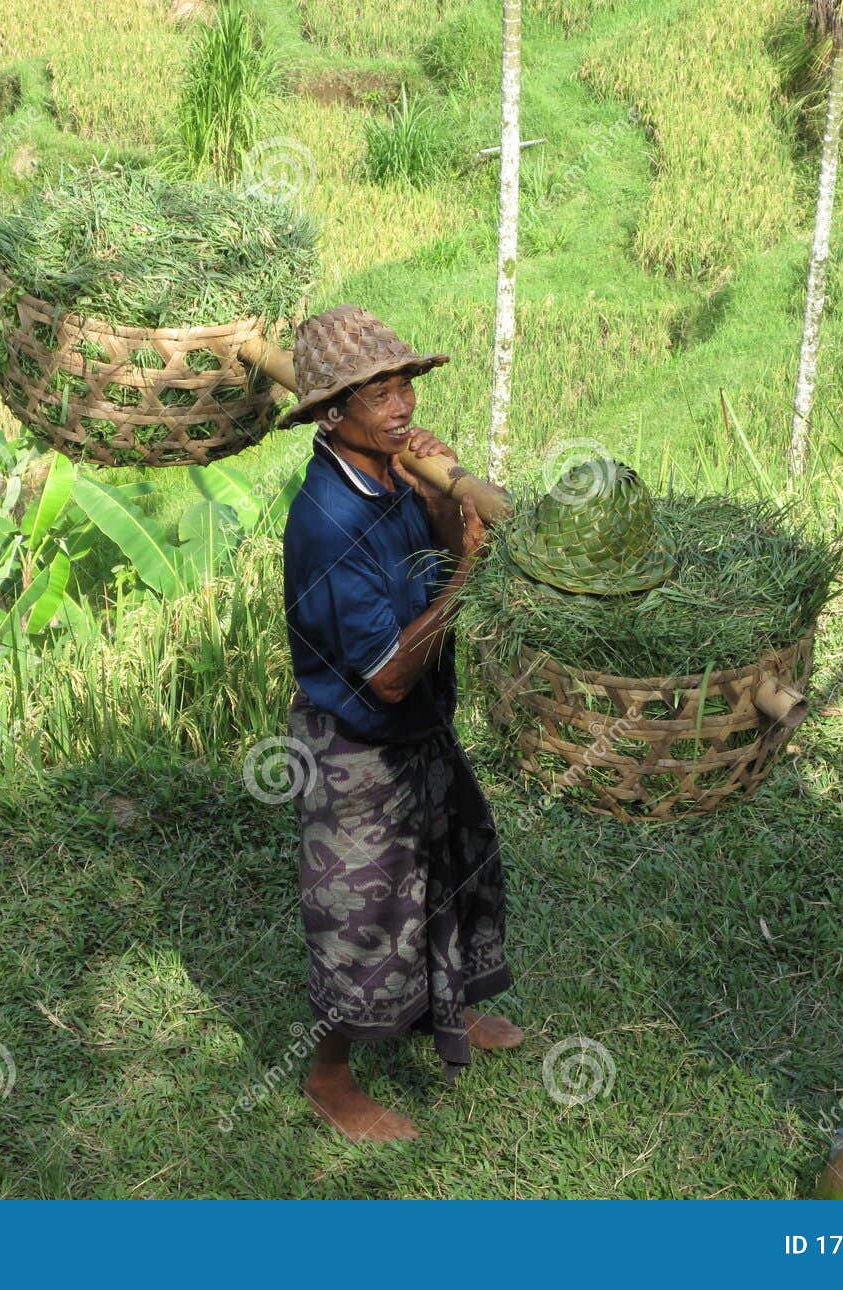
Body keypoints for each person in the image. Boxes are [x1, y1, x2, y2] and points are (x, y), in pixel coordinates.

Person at [278, 304, 522, 1143]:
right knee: (362, 917)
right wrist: (469, 581)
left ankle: (448, 1010)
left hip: (424, 724)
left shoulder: (389, 473)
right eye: (376, 393)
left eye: (402, 384)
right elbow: (383, 676)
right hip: (355, 745)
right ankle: (328, 1078)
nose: (402, 405)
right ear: (329, 415)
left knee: (456, 861)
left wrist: (453, 507)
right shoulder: (328, 519)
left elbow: (445, 549)